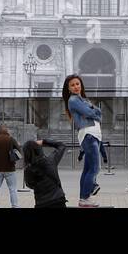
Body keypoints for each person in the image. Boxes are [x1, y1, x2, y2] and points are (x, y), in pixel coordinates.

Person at [64, 73, 103, 208]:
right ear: (68, 89)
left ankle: (83, 198)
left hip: (94, 134)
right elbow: (91, 113)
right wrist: (94, 111)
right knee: (94, 168)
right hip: (89, 134)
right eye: (72, 85)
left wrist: (94, 110)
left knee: (88, 169)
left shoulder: (83, 99)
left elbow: (98, 111)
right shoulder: (74, 100)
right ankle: (86, 197)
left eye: (77, 84)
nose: (76, 87)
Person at [23, 138, 66, 208]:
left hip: (41, 202)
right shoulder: (50, 161)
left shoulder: (28, 170)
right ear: (39, 149)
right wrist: (44, 141)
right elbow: (62, 145)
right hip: (58, 199)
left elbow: (29, 185)